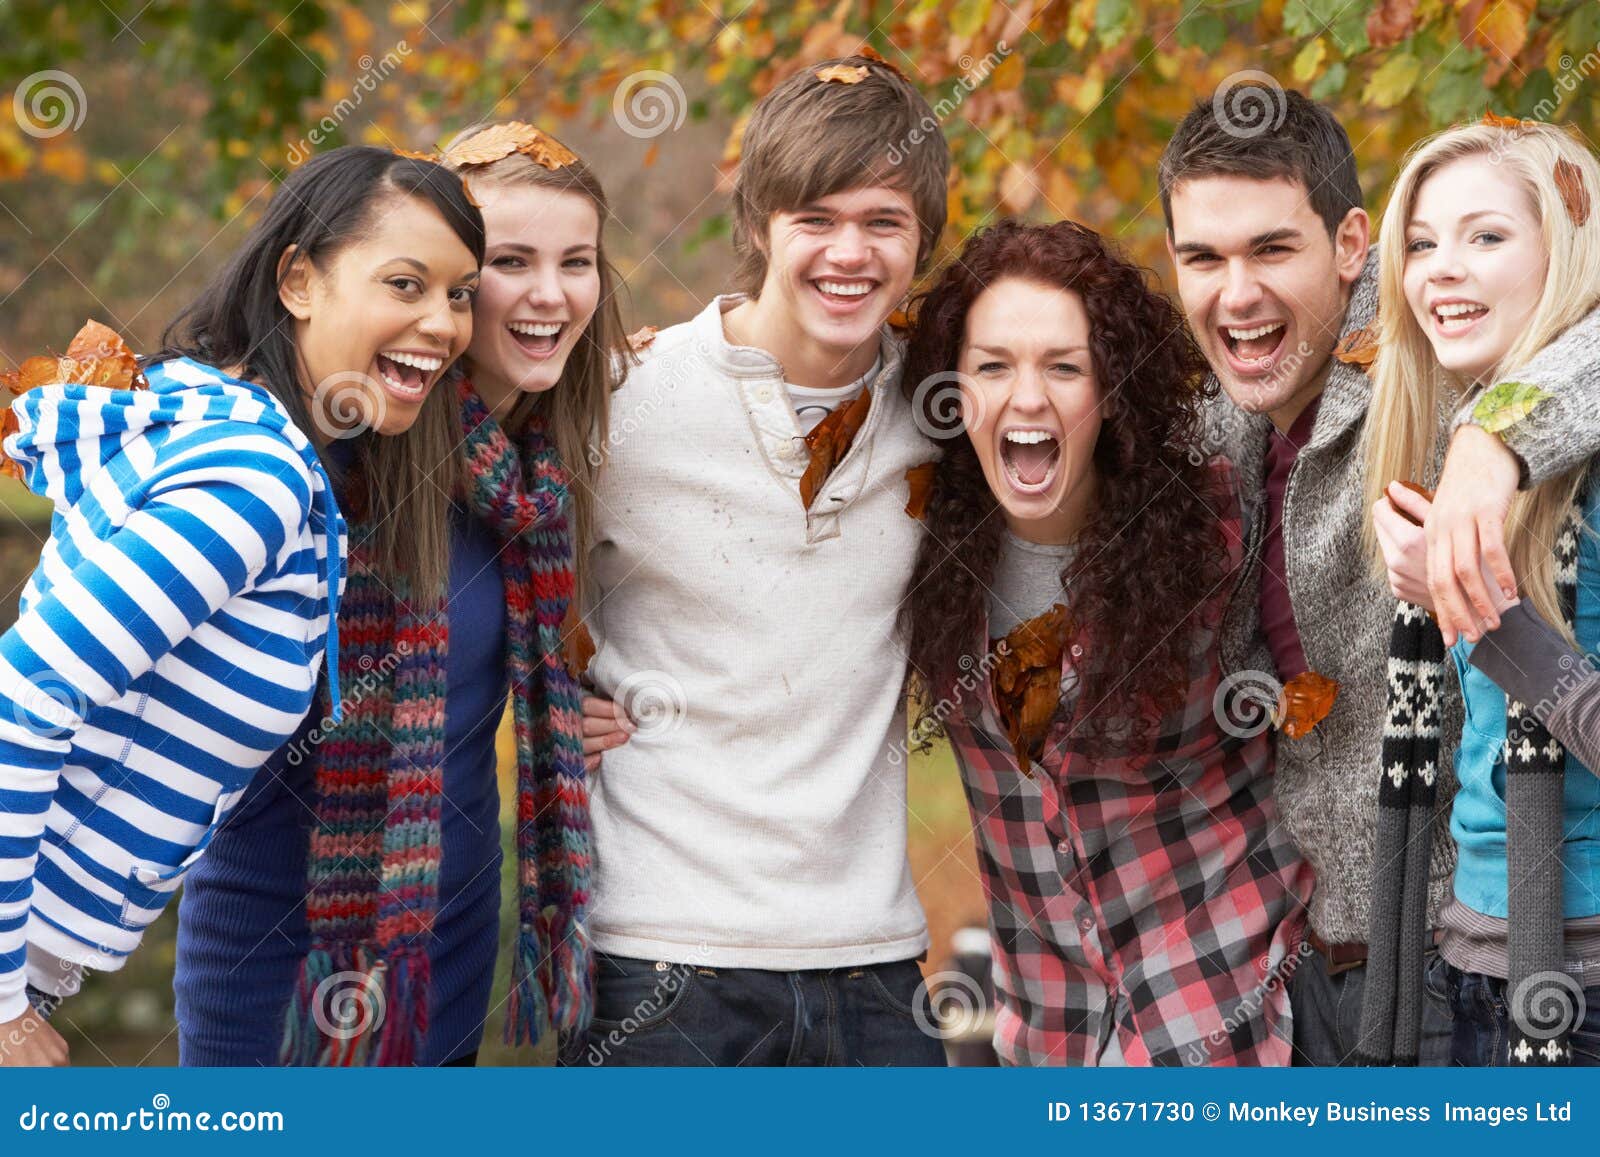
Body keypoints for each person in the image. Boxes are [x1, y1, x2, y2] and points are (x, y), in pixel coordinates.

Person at [0, 145, 480, 1066]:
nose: (443, 322)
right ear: (298, 279)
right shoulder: (252, 480)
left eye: (459, 294)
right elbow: (23, 702)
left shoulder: (232, 433)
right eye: (406, 283)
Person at [1158, 86, 1600, 1065]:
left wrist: (1495, 436)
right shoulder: (1222, 424)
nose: (1236, 292)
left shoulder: (1449, 354)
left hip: (1480, 950)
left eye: (1272, 249)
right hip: (1316, 971)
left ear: (1352, 243)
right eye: (1202, 257)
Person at [175, 125, 623, 1066]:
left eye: (575, 262)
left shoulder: (533, 480)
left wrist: (569, 690)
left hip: (448, 964)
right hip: (283, 972)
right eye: (507, 263)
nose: (549, 293)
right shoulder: (332, 457)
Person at [568, 54, 952, 1066]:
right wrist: (542, 690)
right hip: (656, 960)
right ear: (760, 228)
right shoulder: (622, 401)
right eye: (815, 220)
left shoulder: (949, 409)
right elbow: (491, 579)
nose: (848, 252)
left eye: (883, 222)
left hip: (874, 958)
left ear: (922, 240)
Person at [898, 218, 1312, 1065]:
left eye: (1064, 365)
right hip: (1047, 1033)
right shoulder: (916, 545)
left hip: (1221, 1016)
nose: (1026, 397)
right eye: (991, 366)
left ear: (1113, 387)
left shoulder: (1223, 526)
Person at [1364, 118, 1600, 1066]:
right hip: (1471, 961)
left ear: (1570, 251)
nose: (1440, 270)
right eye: (1421, 244)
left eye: (1486, 236)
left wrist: (1482, 612)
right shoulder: (1462, 458)